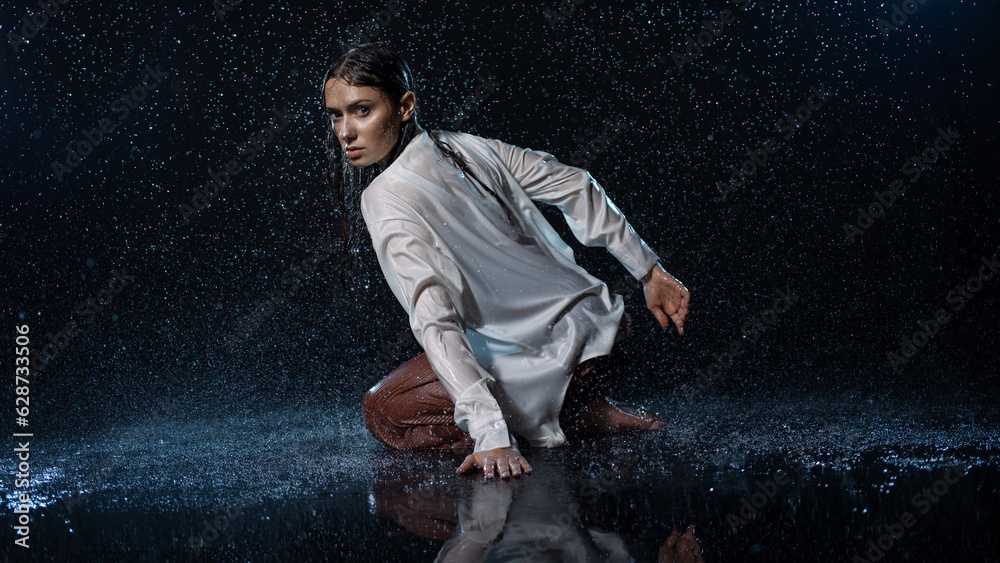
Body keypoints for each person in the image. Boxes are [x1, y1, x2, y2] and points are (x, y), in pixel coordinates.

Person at [321, 43, 691, 480]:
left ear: (404, 106)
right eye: (335, 115)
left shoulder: (383, 197)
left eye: (361, 110)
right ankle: (587, 413)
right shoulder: (466, 146)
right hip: (608, 342)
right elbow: (577, 183)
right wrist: (648, 271)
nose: (345, 131)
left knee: (384, 411)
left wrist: (490, 432)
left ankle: (560, 421)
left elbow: (433, 318)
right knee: (457, 359)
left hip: (555, 361)